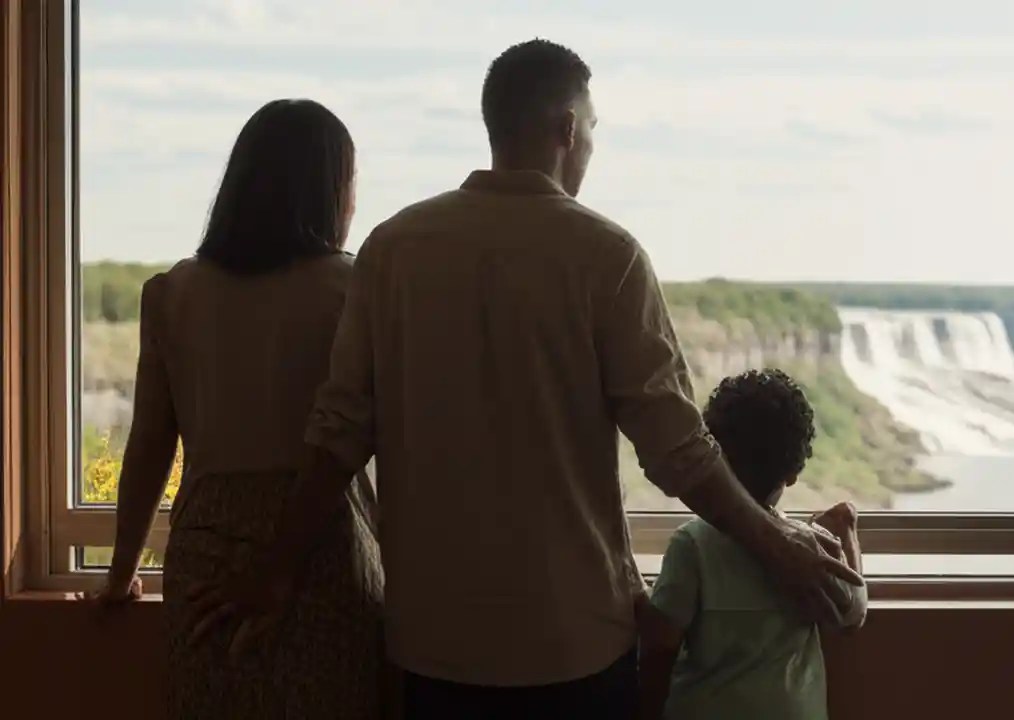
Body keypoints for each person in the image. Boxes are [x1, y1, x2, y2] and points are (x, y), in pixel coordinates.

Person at [189, 40, 860, 719]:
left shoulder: (394, 248)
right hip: (572, 644)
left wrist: (274, 569)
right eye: (593, 128)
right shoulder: (608, 255)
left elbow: (338, 435)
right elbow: (678, 452)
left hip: (432, 641)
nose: (592, 145)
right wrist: (781, 547)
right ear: (568, 127)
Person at [89, 99, 384, 719]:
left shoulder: (172, 294)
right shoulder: (355, 289)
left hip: (206, 547)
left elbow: (149, 444)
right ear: (332, 189)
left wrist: (120, 574)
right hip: (321, 541)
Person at [637, 368, 868, 720]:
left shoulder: (692, 545)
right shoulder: (808, 548)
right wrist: (847, 531)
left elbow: (659, 648)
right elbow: (853, 614)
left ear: (715, 457)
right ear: (793, 472)